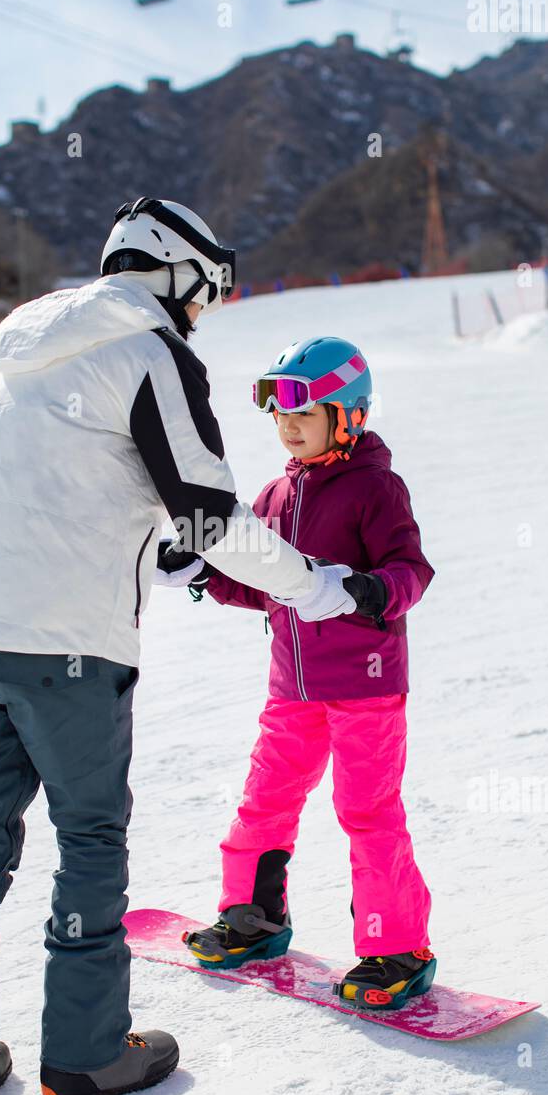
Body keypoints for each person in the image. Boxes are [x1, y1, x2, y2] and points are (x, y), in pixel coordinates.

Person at [0, 198, 361, 1095]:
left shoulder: (27, 356)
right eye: (205, 293)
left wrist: (161, 545)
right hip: (66, 648)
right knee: (90, 838)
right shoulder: (151, 350)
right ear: (176, 273)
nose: (202, 313)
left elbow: (71, 495)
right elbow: (205, 512)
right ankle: (85, 1055)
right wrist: (313, 585)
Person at [156, 335, 436, 1010]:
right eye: (278, 411)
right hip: (292, 689)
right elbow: (261, 586)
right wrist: (204, 572)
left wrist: (363, 590)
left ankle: (395, 946)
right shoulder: (276, 494)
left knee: (366, 811)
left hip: (366, 688)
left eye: (303, 412)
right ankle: (254, 918)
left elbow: (410, 573)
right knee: (265, 800)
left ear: (348, 417)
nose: (287, 424)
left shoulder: (376, 488)